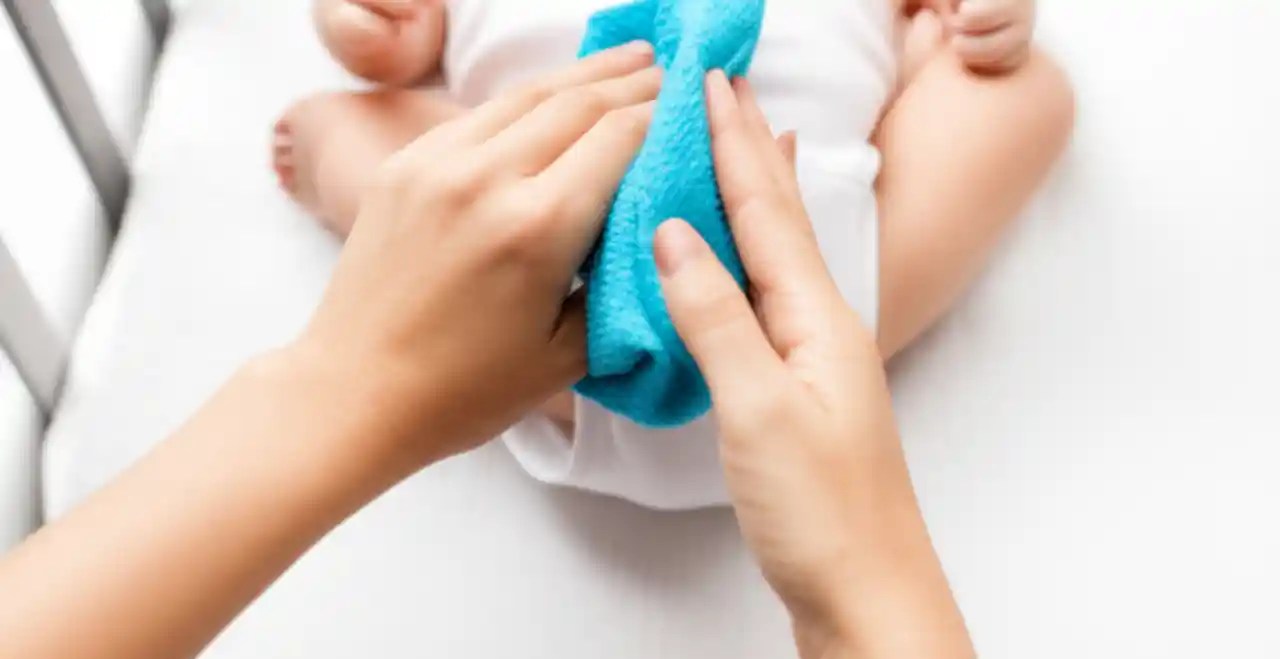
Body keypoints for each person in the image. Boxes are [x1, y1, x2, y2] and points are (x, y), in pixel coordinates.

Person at [0, 53, 987, 659]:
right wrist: (864, 597)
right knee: (417, 152)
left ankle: (385, 264)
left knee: (999, 97)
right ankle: (384, 243)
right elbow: (394, 46)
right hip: (776, 336)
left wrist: (968, 36)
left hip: (776, 274)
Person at [273, 0, 1074, 510]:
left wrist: (977, 23)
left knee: (1020, 87)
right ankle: (336, 157)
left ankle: (348, 158)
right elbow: (402, 36)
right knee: (392, 147)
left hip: (812, 309)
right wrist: (374, 27)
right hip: (547, 298)